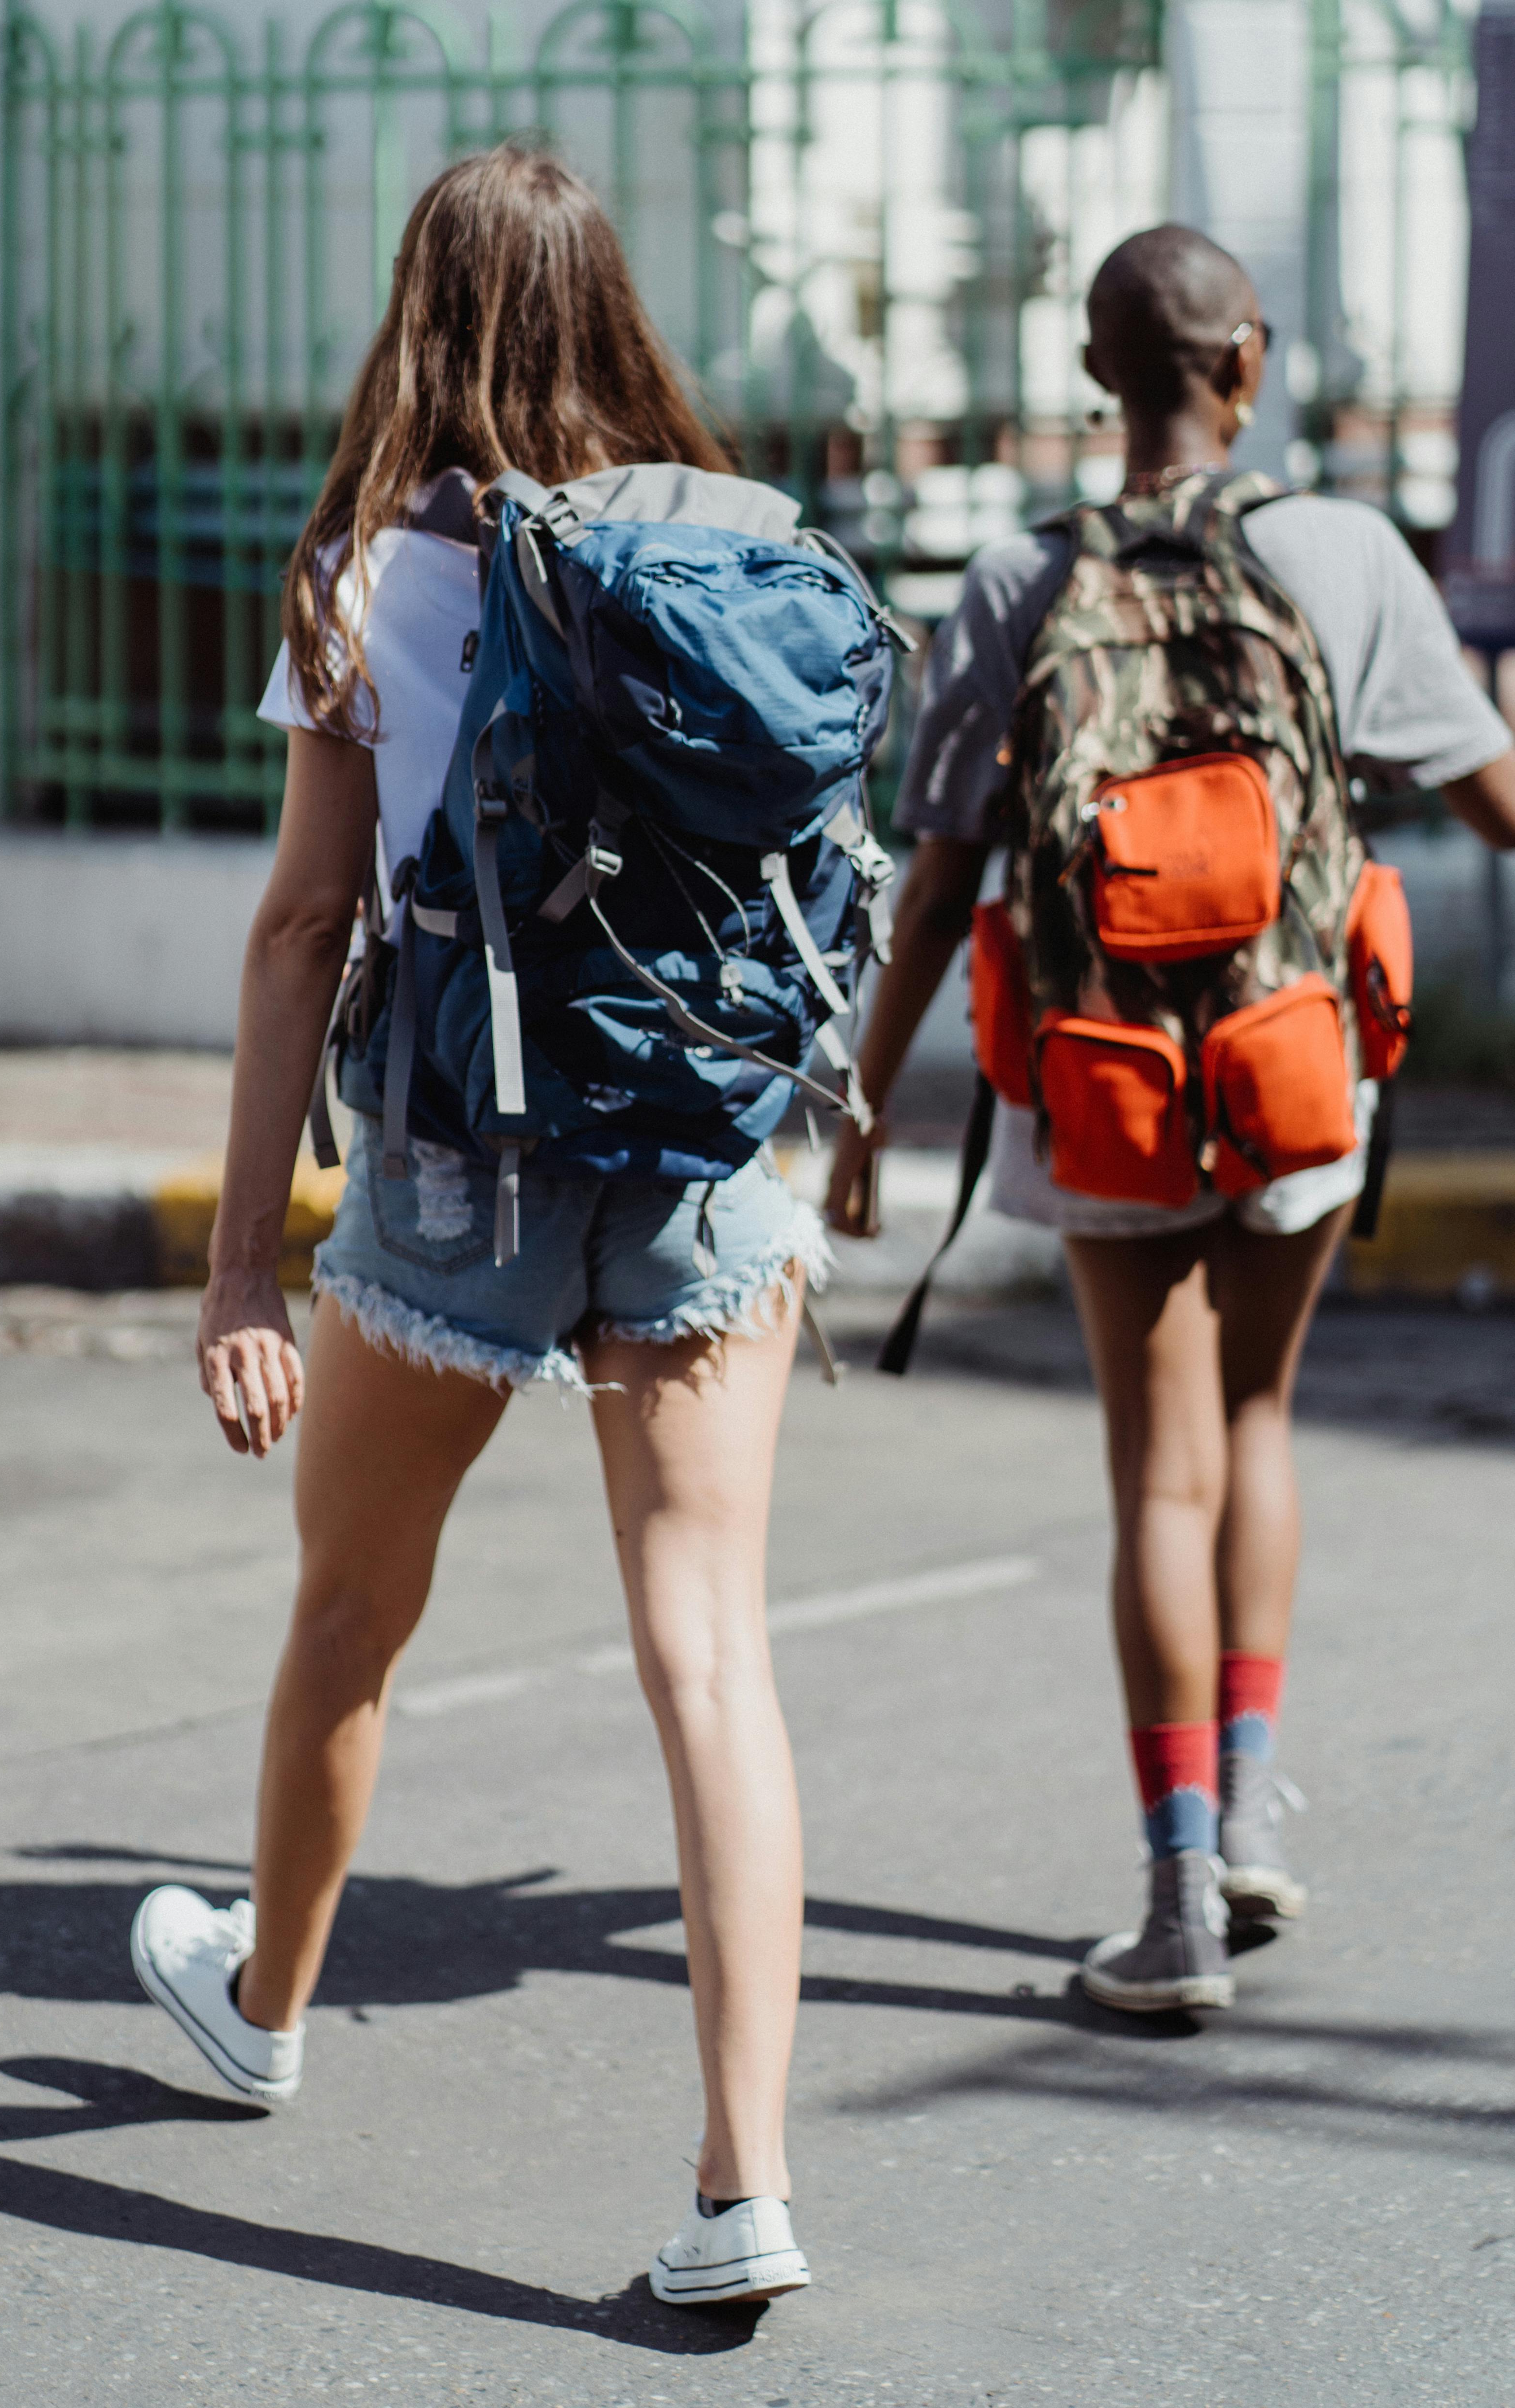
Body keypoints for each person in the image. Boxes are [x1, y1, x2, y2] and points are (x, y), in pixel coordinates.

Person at [128, 144, 825, 2304]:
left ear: (421, 312)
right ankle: (745, 2193)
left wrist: (246, 1262)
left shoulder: (367, 577)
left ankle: (260, 2020)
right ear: (611, 306)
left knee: (350, 1611)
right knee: (709, 1654)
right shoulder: (753, 539)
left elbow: (302, 926)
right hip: (706, 1148)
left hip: (462, 1160)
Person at [829, 223, 1515, 2012]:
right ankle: (1259, 1803)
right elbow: (1498, 802)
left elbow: (936, 885)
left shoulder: (1012, 582)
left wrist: (852, 1107)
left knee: (1159, 1461)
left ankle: (1179, 1890)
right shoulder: (1346, 553)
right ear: (1255, 361)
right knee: (1263, 1422)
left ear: (1090, 374)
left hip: (1105, 1082)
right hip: (1296, 1069)